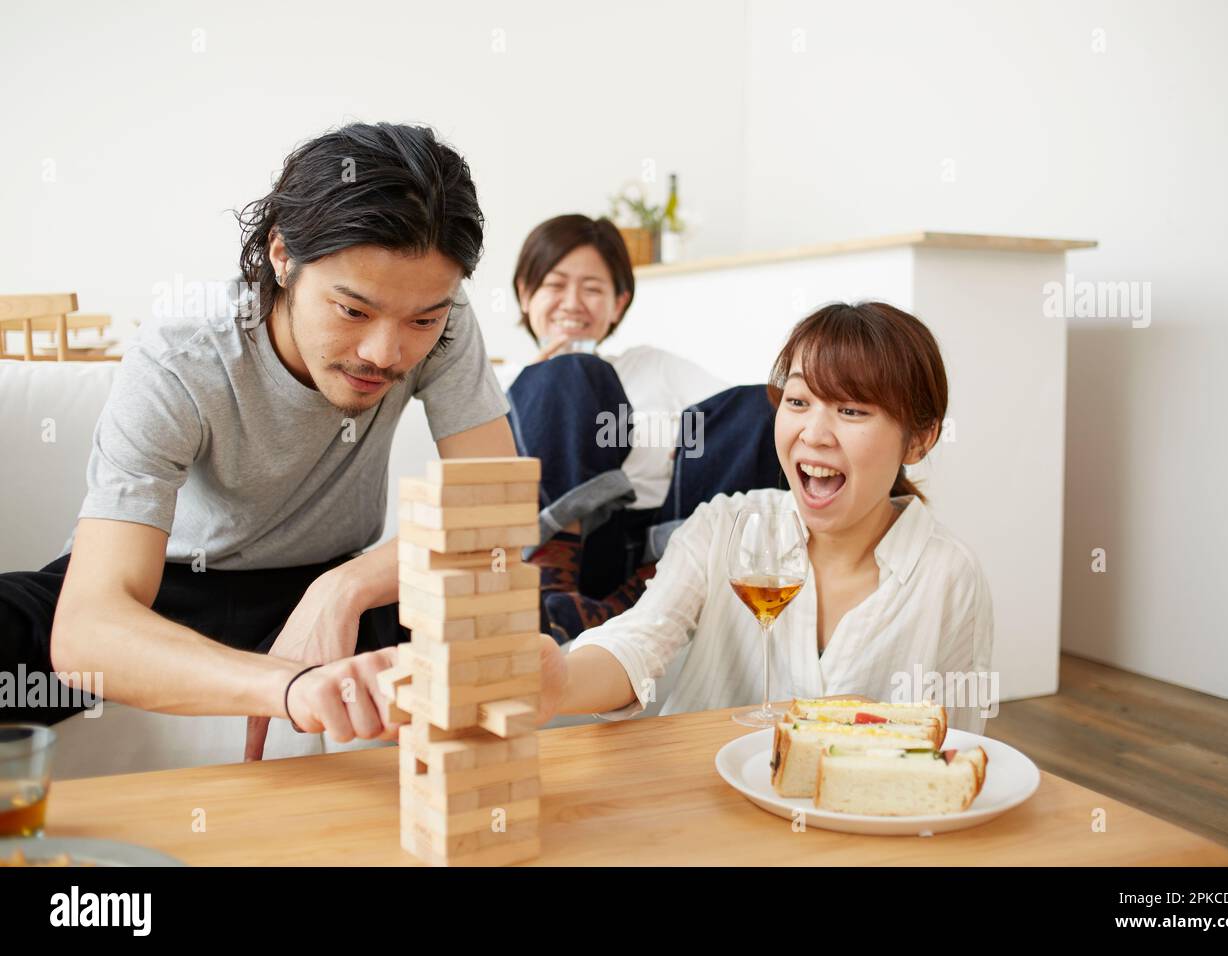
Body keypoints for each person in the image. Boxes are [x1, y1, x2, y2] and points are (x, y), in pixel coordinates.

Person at [0, 122, 519, 760]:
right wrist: (286, 685)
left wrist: (344, 589)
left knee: (495, 607)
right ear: (282, 256)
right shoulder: (183, 359)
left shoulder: (443, 316)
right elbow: (89, 627)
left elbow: (496, 507)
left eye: (422, 320)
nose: (386, 353)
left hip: (333, 577)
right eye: (353, 311)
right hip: (169, 586)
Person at [533, 301, 996, 734]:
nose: (814, 434)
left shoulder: (948, 575)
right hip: (704, 802)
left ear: (919, 439)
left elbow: (954, 744)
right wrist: (559, 680)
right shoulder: (723, 525)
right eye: (798, 402)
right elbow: (639, 642)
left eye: (851, 410)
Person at [504, 214, 784, 642]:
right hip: (579, 551)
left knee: (761, 403)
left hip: (668, 546)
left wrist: (687, 440)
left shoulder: (651, 365)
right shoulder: (501, 387)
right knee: (570, 373)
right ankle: (554, 595)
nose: (573, 302)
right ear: (526, 294)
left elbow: (741, 421)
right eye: (556, 285)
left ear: (618, 303)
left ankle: (647, 594)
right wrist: (541, 386)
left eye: (593, 289)